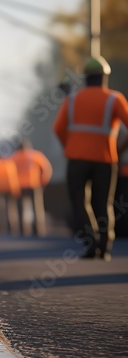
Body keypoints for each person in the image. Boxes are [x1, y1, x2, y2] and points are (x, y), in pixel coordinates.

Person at [53, 56, 128, 259]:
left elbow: (58, 128)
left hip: (77, 159)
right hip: (106, 159)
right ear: (104, 77)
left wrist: (69, 146)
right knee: (104, 203)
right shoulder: (115, 99)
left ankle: (90, 241)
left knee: (79, 201)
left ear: (85, 77)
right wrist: (120, 148)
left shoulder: (73, 99)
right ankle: (104, 247)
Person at [11, 139, 53, 236]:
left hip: (19, 186)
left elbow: (8, 173)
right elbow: (46, 169)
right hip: (34, 185)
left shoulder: (14, 157)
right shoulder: (36, 155)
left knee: (20, 208)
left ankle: (22, 230)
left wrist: (11, 186)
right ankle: (38, 230)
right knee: (37, 208)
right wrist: (43, 182)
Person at [0, 153, 20, 235]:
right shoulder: (8, 164)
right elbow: (12, 178)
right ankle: (12, 227)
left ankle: (0, 227)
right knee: (10, 209)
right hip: (7, 188)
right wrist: (15, 189)